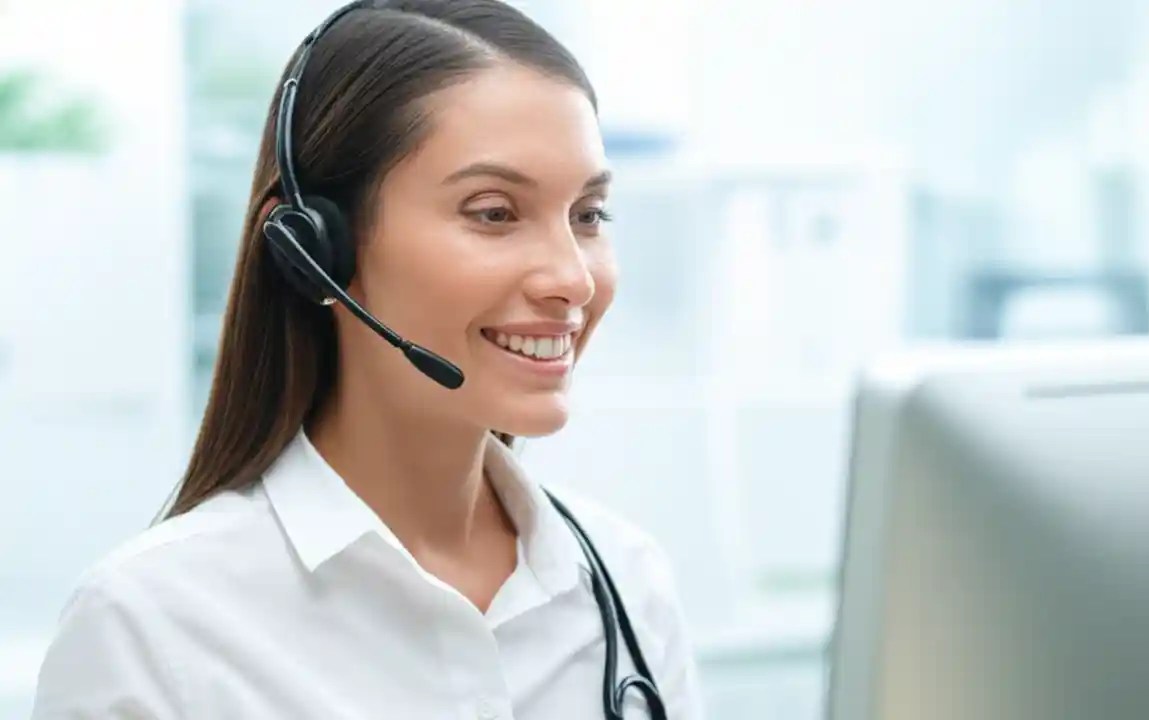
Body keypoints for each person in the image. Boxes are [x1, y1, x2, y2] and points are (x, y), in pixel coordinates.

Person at [31, 2, 703, 718]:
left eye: (588, 215)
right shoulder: (153, 628)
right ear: (318, 251)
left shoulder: (624, 581)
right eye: (495, 213)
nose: (572, 278)